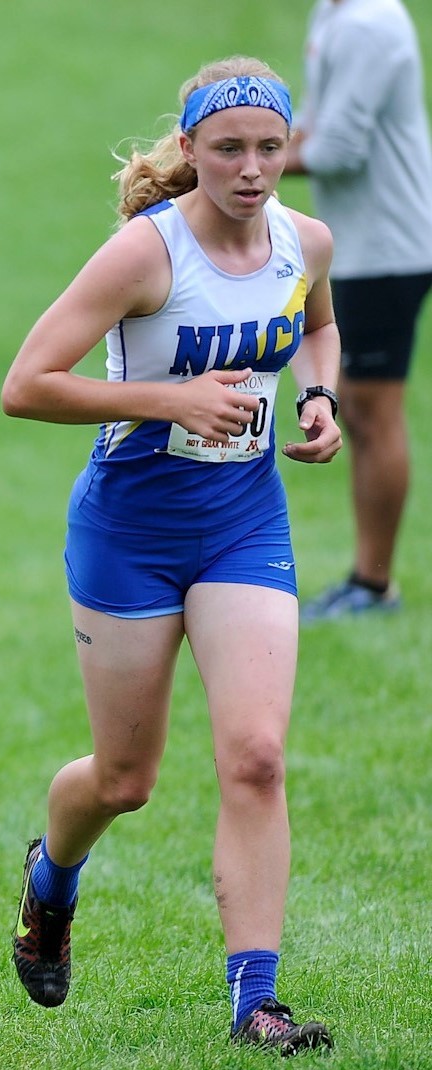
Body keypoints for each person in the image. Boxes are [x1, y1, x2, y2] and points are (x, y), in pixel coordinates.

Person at [0, 57, 340, 1054]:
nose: (251, 170)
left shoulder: (305, 240)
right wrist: (171, 398)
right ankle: (50, 882)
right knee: (123, 779)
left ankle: (256, 1004)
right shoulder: (143, 256)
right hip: (129, 534)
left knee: (257, 754)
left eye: (270, 149)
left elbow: (317, 329)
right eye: (228, 149)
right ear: (188, 151)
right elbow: (26, 384)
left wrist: (316, 398)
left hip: (244, 522)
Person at [287, 0, 432, 621]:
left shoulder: (369, 22)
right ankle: (366, 579)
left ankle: (373, 586)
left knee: (372, 414)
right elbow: (319, 127)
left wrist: (225, 160)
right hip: (358, 248)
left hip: (385, 250)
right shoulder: (336, 14)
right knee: (362, 408)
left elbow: (338, 148)